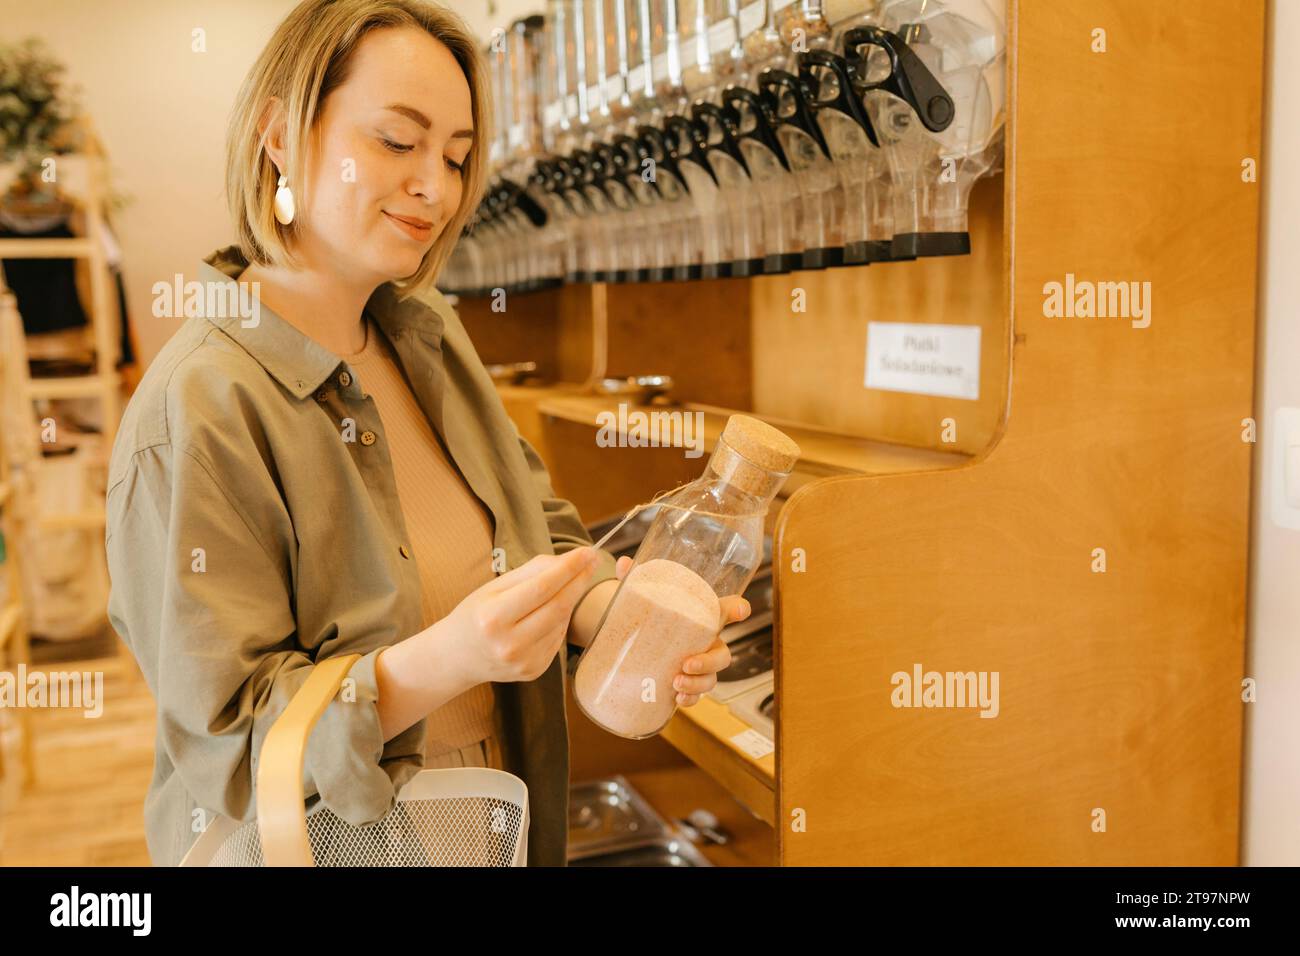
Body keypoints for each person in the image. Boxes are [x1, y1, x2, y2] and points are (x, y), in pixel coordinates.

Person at [104, 0, 747, 867]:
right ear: (280, 137)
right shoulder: (197, 406)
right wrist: (445, 659)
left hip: (479, 827)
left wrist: (611, 613)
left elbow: (537, 530)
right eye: (397, 143)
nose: (436, 189)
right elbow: (230, 742)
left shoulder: (426, 333)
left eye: (455, 155)